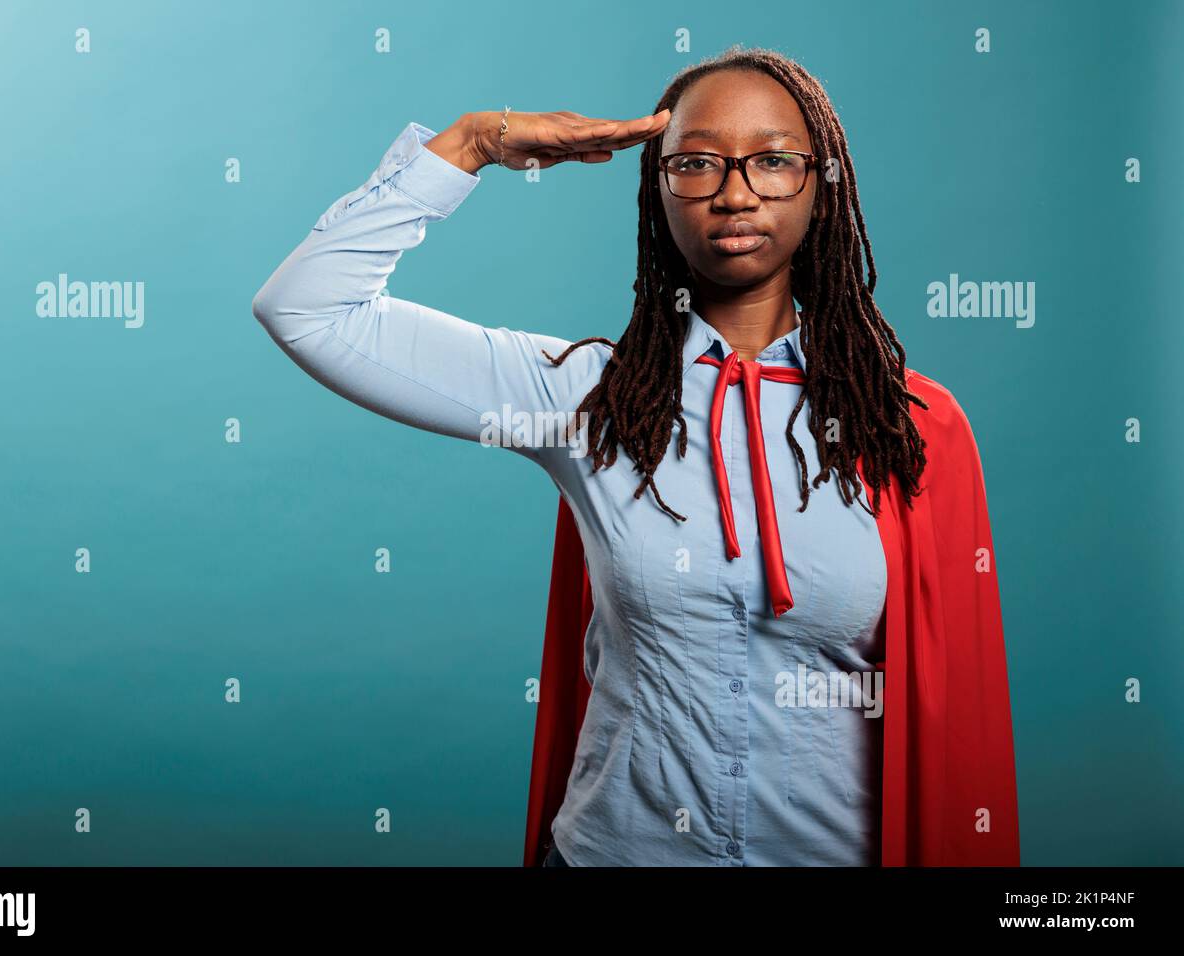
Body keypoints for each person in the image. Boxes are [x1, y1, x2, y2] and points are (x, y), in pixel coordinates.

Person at [251, 46, 1018, 867]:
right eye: (696, 163)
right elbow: (306, 310)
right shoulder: (589, 399)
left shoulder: (907, 424)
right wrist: (473, 143)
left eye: (773, 161)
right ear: (658, 193)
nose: (735, 191)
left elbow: (955, 709)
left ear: (822, 188)